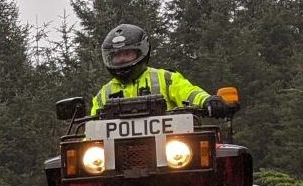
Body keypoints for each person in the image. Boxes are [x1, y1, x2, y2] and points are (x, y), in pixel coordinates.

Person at [89, 24, 232, 117]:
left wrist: (207, 100)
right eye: (117, 56)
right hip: (116, 156)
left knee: (225, 157)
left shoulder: (166, 79)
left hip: (174, 150)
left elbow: (189, 93)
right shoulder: (103, 94)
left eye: (127, 54)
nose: (121, 60)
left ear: (142, 52)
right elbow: (91, 128)